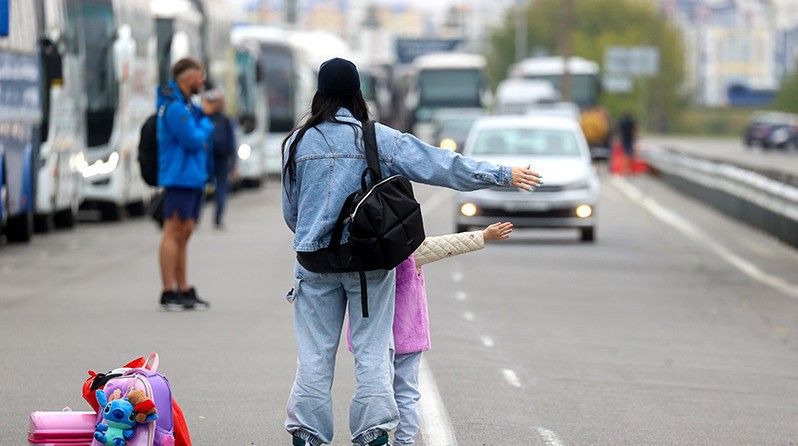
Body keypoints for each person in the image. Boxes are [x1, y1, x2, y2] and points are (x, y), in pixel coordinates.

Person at [281, 57, 541, 446]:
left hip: (314, 265)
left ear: (318, 94)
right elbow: (440, 165)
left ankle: (308, 434)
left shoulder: (296, 143)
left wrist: (317, 230)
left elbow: (292, 214)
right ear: (357, 94)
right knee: (372, 352)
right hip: (368, 265)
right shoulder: (376, 138)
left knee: (315, 355)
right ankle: (372, 433)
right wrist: (501, 175)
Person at [345, 222, 514, 445]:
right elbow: (444, 245)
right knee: (406, 394)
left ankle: (370, 435)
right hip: (408, 335)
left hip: (370, 336)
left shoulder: (356, 250)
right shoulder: (408, 250)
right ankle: (404, 441)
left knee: (371, 387)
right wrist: (484, 236)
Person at [157, 57, 214, 311]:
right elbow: (192, 139)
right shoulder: (175, 108)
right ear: (189, 78)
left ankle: (183, 287)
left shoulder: (187, 106)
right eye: (200, 76)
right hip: (179, 178)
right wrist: (206, 123)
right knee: (173, 231)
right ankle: (169, 291)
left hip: (191, 178)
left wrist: (203, 115)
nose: (202, 82)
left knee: (185, 232)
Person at [203, 89, 237, 229]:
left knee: (210, 188)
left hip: (215, 158)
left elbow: (232, 142)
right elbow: (233, 143)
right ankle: (215, 219)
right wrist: (234, 163)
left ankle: (200, 219)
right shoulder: (224, 119)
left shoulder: (207, 118)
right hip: (217, 158)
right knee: (218, 189)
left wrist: (233, 163)